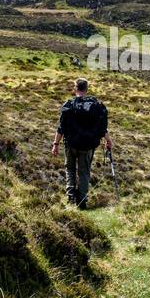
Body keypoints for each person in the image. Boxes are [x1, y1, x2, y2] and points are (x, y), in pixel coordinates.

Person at [50, 78, 111, 210]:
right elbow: (102, 127)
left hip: (71, 144)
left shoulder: (69, 105)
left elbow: (61, 127)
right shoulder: (95, 105)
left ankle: (71, 198)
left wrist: (55, 144)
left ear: (75, 89)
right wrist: (108, 140)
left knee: (70, 170)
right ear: (86, 89)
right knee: (84, 173)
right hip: (88, 146)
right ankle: (82, 201)